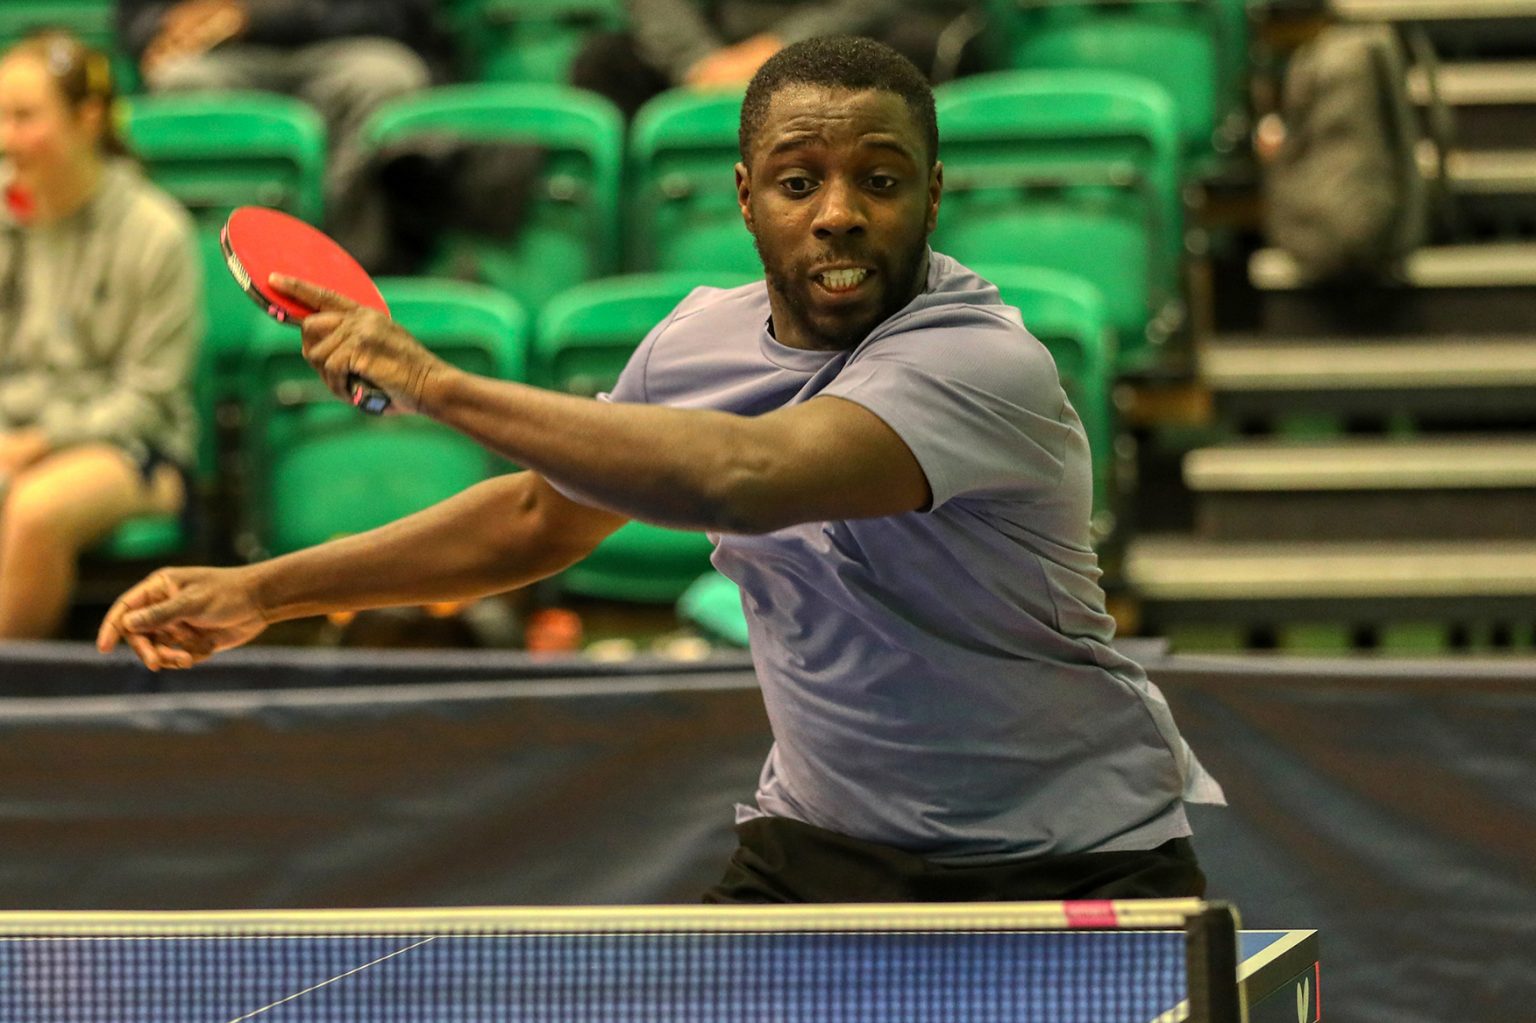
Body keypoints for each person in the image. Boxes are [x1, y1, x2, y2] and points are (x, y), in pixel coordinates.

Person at [100, 36, 1223, 903]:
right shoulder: (694, 346)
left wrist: (435, 383)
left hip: (1069, 858)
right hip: (826, 847)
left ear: (931, 197)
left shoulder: (983, 362)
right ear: (744, 198)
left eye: (879, 181)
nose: (838, 213)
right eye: (799, 181)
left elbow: (747, 475)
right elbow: (541, 518)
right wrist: (261, 591)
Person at [0, 30, 200, 640]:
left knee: (36, 508)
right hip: (15, 435)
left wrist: (40, 442)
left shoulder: (155, 231)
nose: (5, 139)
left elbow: (147, 398)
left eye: (23, 117)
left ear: (88, 119)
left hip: (136, 449)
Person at [115, 0, 436, 256]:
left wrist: (254, 16)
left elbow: (402, 15)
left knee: (386, 77)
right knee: (178, 80)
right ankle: (221, 265)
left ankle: (350, 269)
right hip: (223, 59)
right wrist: (170, 28)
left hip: (344, 48)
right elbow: (135, 21)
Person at [572, 0, 981, 119]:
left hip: (850, 35)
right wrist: (697, 61)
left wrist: (777, 48)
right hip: (715, 49)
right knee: (604, 62)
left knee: (915, 48)